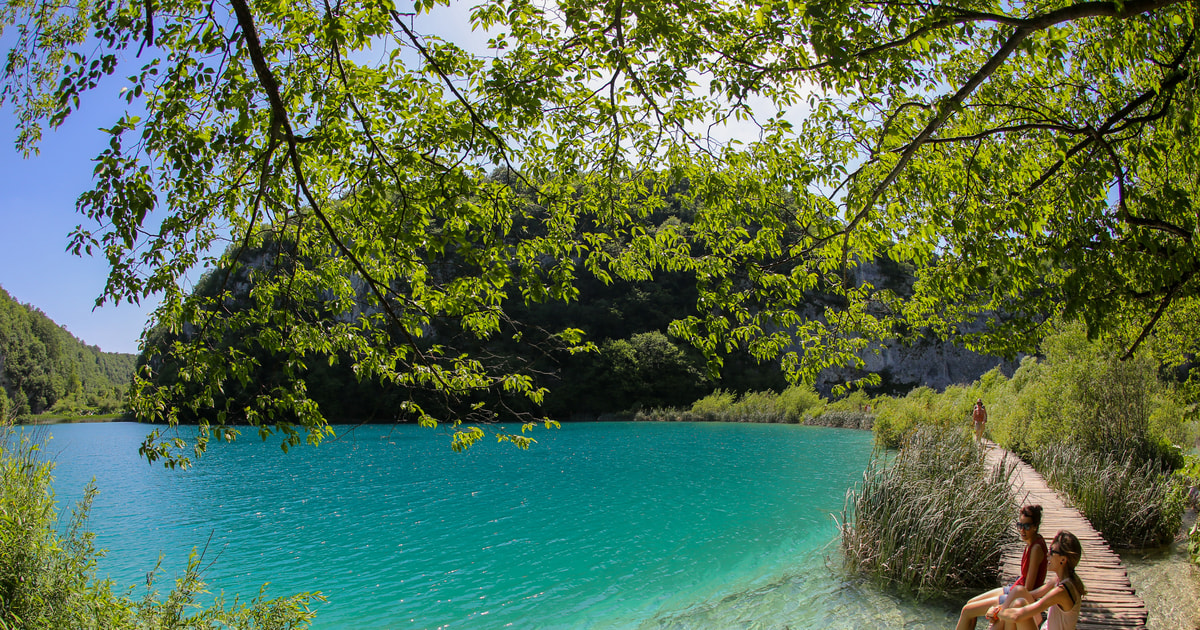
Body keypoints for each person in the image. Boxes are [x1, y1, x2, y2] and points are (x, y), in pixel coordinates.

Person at [955, 504, 1048, 630]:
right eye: (1020, 525)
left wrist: (1002, 607)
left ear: (1035, 526)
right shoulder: (1032, 542)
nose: (1022, 530)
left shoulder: (1036, 548)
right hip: (1014, 588)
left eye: (1026, 526)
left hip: (1018, 595)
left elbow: (1028, 590)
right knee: (969, 604)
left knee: (967, 610)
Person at [991, 530, 1087, 630]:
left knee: (1014, 611)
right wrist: (1001, 607)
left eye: (1052, 552)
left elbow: (1018, 616)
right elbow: (1030, 595)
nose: (1047, 555)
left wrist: (997, 613)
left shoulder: (1062, 591)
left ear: (1063, 559)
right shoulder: (1060, 580)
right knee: (1018, 595)